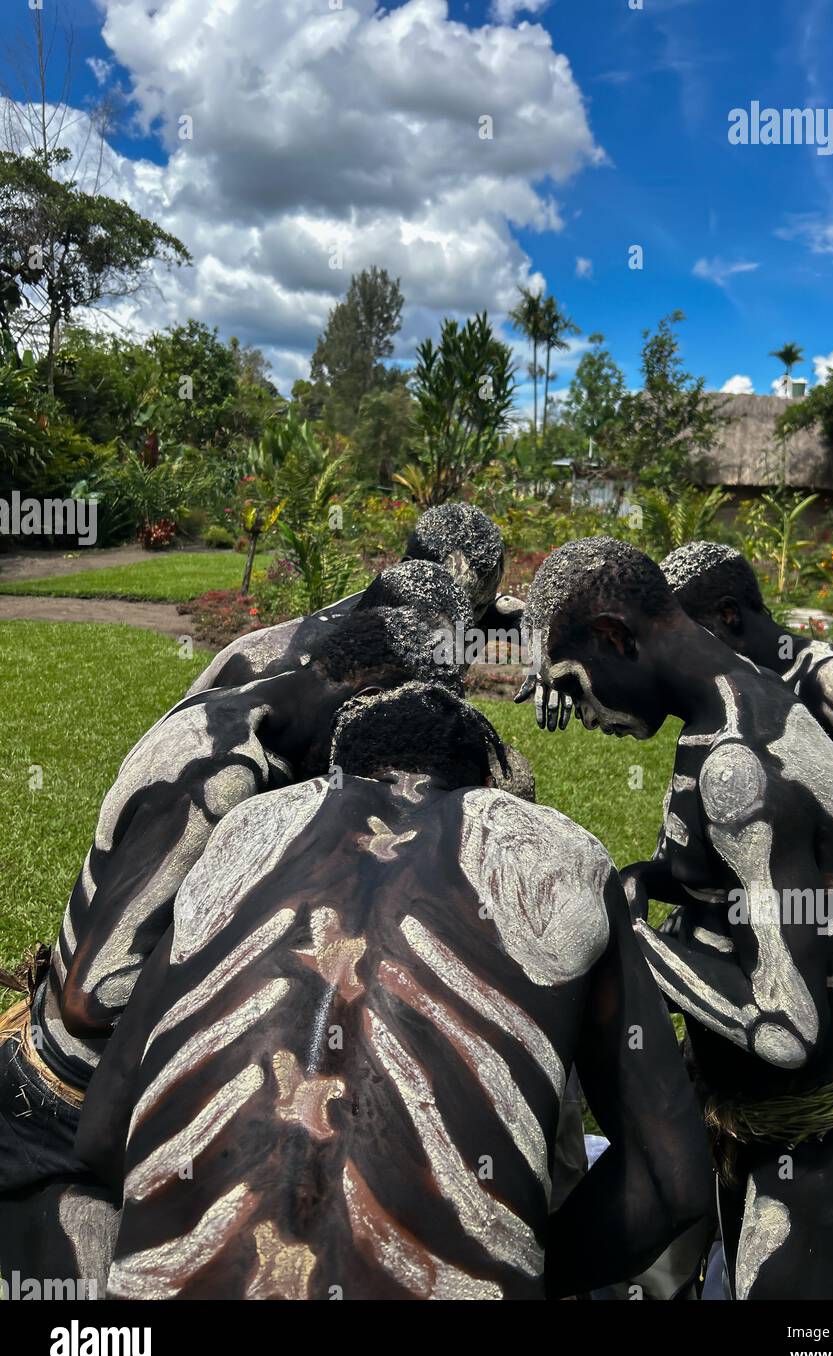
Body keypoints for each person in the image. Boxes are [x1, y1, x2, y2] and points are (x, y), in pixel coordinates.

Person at [77, 683, 711, 1300]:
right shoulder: (555, 857)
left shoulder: (245, 834)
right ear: (484, 790)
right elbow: (672, 1182)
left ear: (335, 775)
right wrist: (528, 1275)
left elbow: (103, 1137)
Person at [520, 537, 833, 1300]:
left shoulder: (738, 765)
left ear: (613, 637)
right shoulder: (729, 707)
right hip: (765, 1135)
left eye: (574, 685)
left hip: (824, 1156)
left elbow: (783, 1026)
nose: (580, 713)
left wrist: (624, 940)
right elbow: (710, 881)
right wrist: (645, 883)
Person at [0, 604, 464, 1214]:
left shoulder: (263, 725)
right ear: (365, 692)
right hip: (64, 1099)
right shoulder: (223, 772)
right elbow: (92, 1000)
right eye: (389, 734)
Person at [657, 541, 833, 975]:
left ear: (729, 615)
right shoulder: (730, 695)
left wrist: (791, 831)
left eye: (689, 636)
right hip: (782, 938)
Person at [185, 502, 522, 696]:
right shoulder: (300, 664)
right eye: (453, 605)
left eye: (476, 609)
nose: (465, 626)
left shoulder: (447, 624)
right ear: (405, 575)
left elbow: (505, 617)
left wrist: (554, 655)